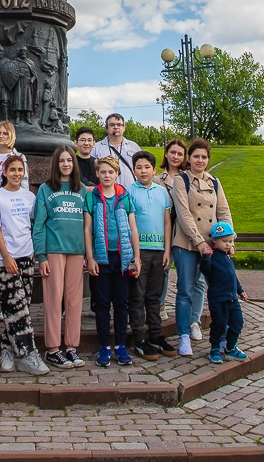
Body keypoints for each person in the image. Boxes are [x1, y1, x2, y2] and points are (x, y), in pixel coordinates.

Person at [0, 154, 49, 375]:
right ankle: (27, 353)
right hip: (5, 258)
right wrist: (6, 257)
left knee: (20, 306)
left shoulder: (29, 197)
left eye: (19, 170)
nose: (16, 174)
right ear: (4, 172)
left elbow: (34, 223)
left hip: (26, 254)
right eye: (12, 170)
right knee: (14, 304)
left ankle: (6, 349)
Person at [171, 138, 233, 357]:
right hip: (187, 243)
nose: (200, 160)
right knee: (185, 289)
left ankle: (196, 322)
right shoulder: (181, 180)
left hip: (211, 244)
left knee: (204, 286)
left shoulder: (214, 182)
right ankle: (183, 335)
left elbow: (224, 212)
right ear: (189, 158)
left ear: (208, 159)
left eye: (204, 157)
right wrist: (197, 241)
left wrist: (229, 240)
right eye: (196, 156)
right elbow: (183, 213)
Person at [32, 145, 88, 369]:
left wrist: (87, 254)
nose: (66, 164)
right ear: (55, 164)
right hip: (54, 249)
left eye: (69, 160)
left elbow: (86, 224)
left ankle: (71, 346)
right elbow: (38, 224)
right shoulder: (46, 189)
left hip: (76, 250)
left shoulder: (81, 189)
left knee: (74, 300)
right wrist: (41, 256)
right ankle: (53, 348)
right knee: (54, 299)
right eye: (62, 161)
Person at [84, 155, 140, 368]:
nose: (107, 175)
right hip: (101, 257)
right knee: (102, 304)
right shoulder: (92, 198)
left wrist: (137, 256)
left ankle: (121, 346)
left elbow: (133, 229)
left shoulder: (124, 197)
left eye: (111, 172)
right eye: (103, 172)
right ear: (97, 174)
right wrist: (90, 258)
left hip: (122, 258)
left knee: (121, 303)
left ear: (117, 174)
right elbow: (87, 230)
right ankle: (105, 346)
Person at [126, 150, 175, 360]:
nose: (143, 170)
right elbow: (129, 223)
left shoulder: (162, 192)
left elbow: (167, 221)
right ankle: (139, 338)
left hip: (159, 251)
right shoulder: (128, 192)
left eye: (147, 167)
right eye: (139, 167)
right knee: (137, 296)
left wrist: (167, 250)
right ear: (134, 170)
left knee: (154, 297)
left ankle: (155, 334)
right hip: (139, 252)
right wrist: (134, 255)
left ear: (154, 170)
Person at [0, 121, 28, 322]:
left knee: (12, 258)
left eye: (5, 133)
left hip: (11, 213)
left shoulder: (18, 158)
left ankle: (11, 300)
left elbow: (23, 187)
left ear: (12, 136)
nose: (1, 136)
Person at [200, 221, 249, 364]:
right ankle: (215, 348)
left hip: (233, 298)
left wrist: (240, 290)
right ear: (215, 241)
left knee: (237, 323)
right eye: (224, 241)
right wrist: (206, 257)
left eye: (230, 241)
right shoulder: (213, 256)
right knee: (219, 324)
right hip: (218, 299)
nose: (228, 244)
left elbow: (233, 276)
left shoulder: (228, 258)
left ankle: (230, 347)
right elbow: (205, 271)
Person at [154, 138, 191, 322]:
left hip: (184, 230)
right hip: (163, 230)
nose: (175, 156)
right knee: (164, 268)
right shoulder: (157, 180)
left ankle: (189, 310)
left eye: (179, 154)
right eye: (172, 152)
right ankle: (160, 305)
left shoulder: (188, 178)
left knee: (188, 272)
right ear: (166, 154)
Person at [92, 113, 142, 187]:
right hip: (105, 192)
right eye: (112, 125)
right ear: (106, 128)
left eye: (119, 125)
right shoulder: (96, 148)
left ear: (124, 127)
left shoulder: (134, 147)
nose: (116, 127)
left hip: (130, 189)